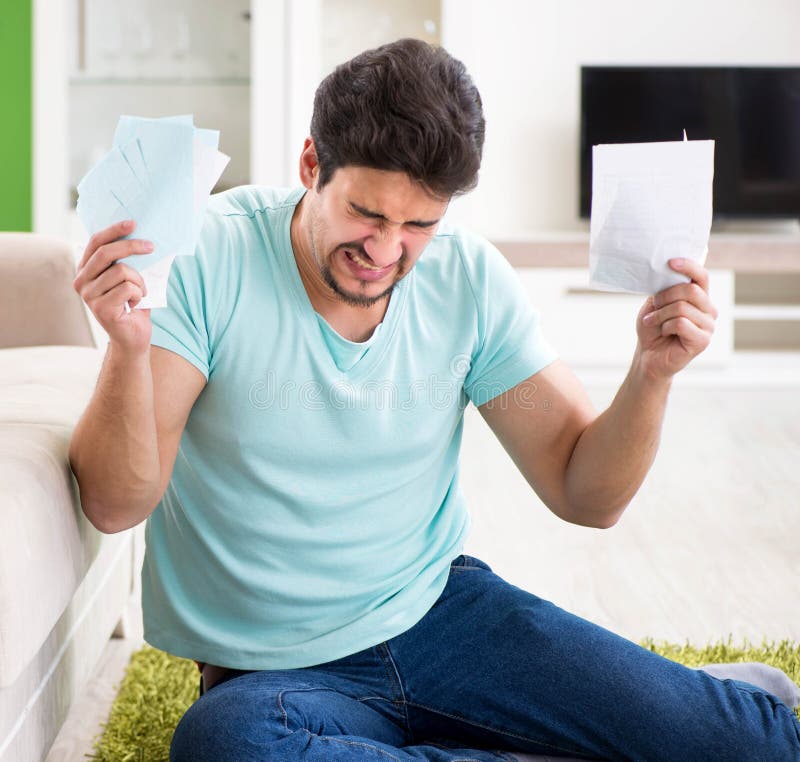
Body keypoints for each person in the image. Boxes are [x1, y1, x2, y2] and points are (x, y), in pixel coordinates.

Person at [69, 38, 800, 761]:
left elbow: (586, 492)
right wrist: (129, 350)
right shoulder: (208, 259)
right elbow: (113, 502)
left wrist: (652, 372)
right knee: (222, 745)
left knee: (758, 744)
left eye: (418, 224)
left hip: (442, 618)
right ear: (310, 165)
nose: (386, 252)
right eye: (367, 215)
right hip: (275, 675)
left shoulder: (467, 280)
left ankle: (661, 720)